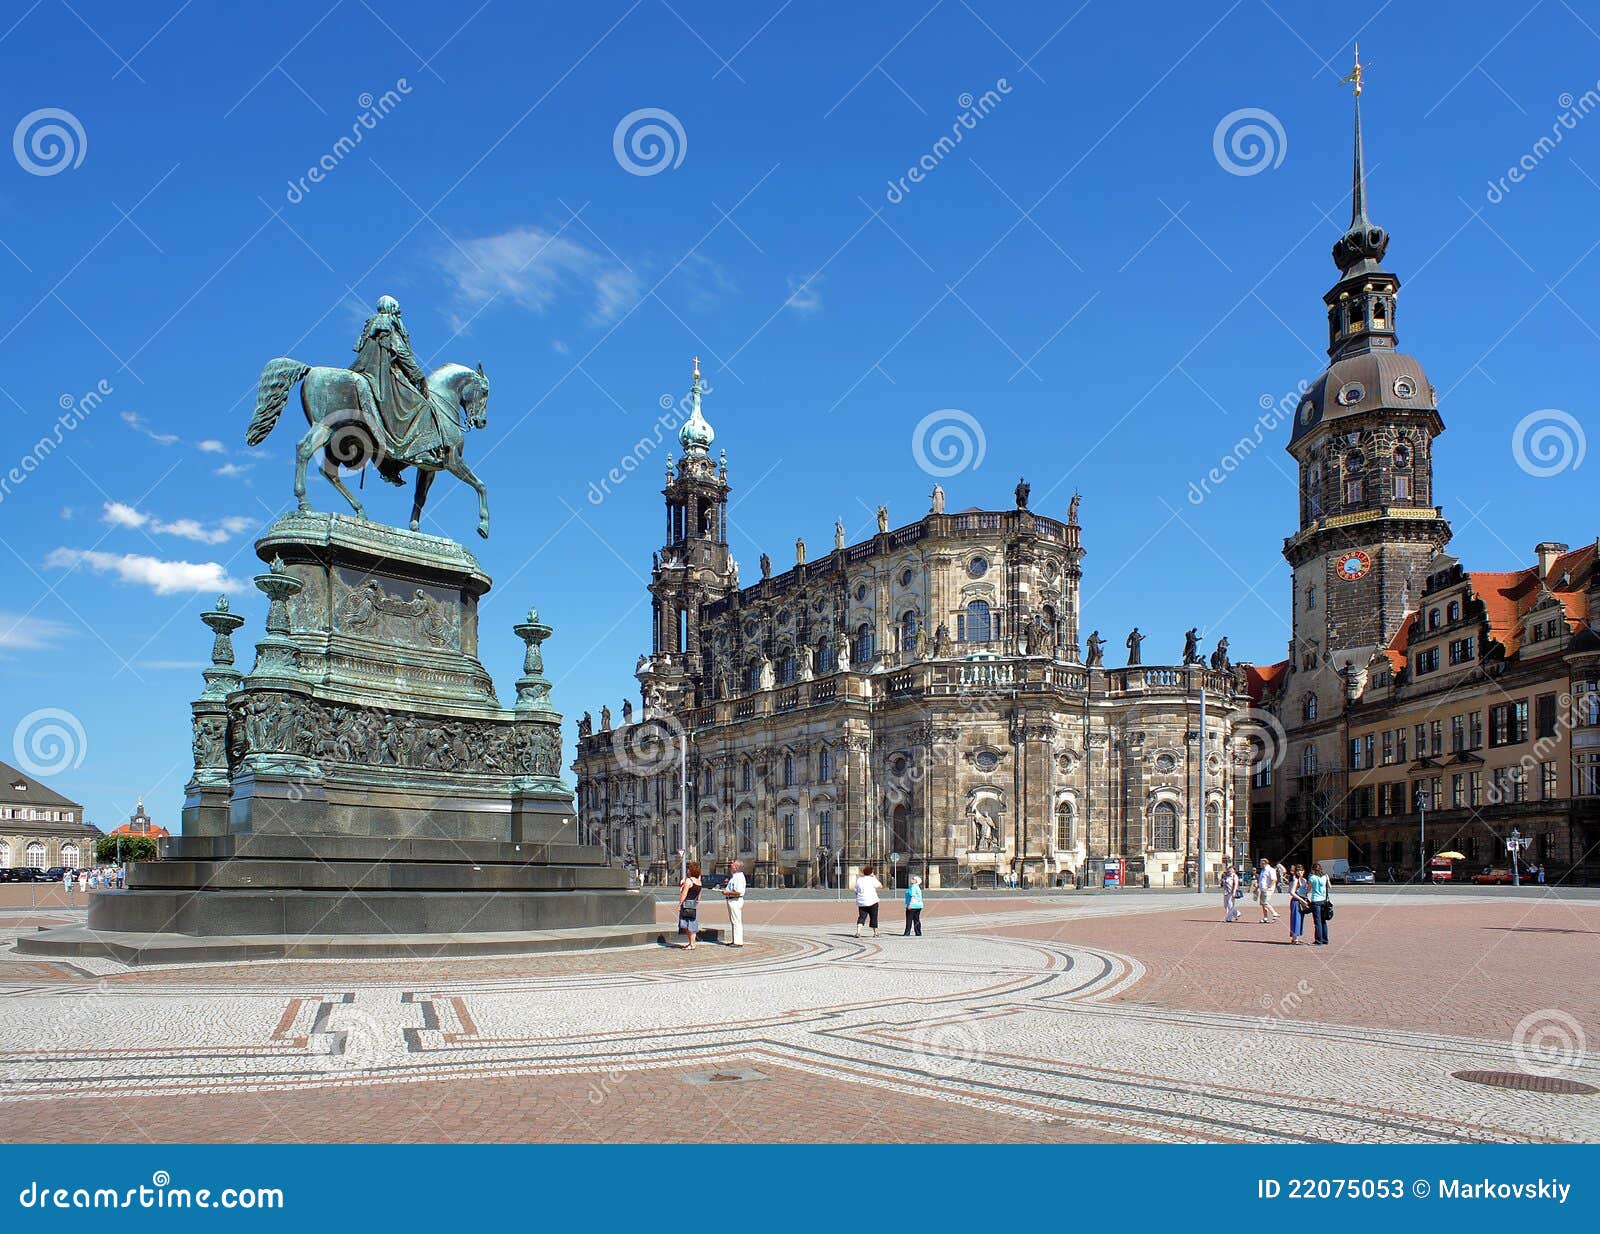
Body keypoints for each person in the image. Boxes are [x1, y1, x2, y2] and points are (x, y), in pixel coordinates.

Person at [677, 862, 703, 950]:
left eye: (688, 869)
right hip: (693, 904)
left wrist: (680, 903)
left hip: (686, 903)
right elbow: (699, 895)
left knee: (686, 924)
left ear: (691, 870)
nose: (687, 870)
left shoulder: (689, 881)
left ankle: (692, 944)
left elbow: (684, 893)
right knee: (692, 923)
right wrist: (696, 902)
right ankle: (692, 943)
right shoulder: (699, 882)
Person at [722, 859, 747, 947]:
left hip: (735, 900)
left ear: (736, 867)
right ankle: (735, 940)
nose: (730, 866)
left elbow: (738, 892)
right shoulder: (735, 876)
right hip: (732, 900)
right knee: (734, 921)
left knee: (736, 921)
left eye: (732, 865)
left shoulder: (739, 877)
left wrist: (727, 892)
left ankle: (738, 942)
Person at [853, 864, 882, 937]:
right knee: (874, 917)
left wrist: (859, 897)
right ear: (871, 872)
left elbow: (856, 890)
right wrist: (874, 877)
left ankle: (858, 932)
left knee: (862, 917)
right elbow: (880, 886)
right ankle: (875, 932)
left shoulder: (859, 880)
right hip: (872, 901)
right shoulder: (872, 879)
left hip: (861, 902)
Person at [1307, 861, 1331, 945]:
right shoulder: (1325, 876)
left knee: (1317, 922)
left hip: (1316, 900)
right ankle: (1325, 939)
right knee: (1323, 921)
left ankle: (1318, 940)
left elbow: (1308, 889)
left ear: (1313, 869)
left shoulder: (1312, 877)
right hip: (1323, 900)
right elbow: (1330, 886)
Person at [1287, 864, 1310, 944]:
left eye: (1301, 871)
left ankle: (1296, 937)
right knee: (1296, 919)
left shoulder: (1304, 880)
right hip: (1296, 901)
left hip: (1302, 900)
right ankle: (1295, 938)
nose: (1300, 872)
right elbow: (1292, 892)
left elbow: (1306, 891)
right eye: (1298, 871)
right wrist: (1302, 900)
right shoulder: (1295, 880)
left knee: (1300, 919)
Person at [1256, 857, 1279, 923]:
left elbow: (1274, 879)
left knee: (1265, 902)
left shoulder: (1270, 870)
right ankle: (1265, 917)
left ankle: (1274, 913)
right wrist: (1257, 888)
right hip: (1262, 889)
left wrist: (1269, 887)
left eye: (1260, 863)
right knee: (1263, 904)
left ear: (1264, 863)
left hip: (1268, 890)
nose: (1260, 864)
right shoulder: (1263, 870)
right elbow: (1261, 880)